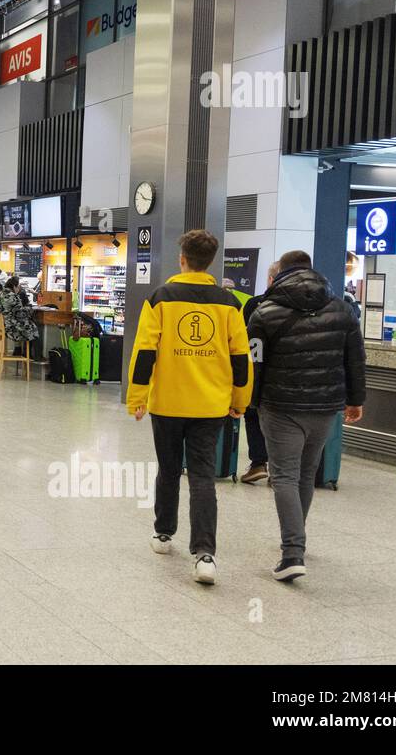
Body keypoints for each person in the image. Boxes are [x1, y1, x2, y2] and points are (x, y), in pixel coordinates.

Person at [126, 229, 252, 586]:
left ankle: (164, 534)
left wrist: (137, 398)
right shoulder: (229, 303)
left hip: (167, 402)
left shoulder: (161, 297)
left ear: (182, 258)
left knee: (168, 469)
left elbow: (144, 352)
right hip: (211, 405)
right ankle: (205, 555)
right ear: (210, 261)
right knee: (202, 475)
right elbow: (242, 358)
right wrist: (240, 400)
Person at [247, 250, 366, 582]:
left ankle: (292, 553)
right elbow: (355, 360)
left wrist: (249, 404)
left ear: (280, 274)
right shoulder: (342, 311)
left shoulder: (264, 313)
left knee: (283, 475)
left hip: (280, 405)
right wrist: (355, 400)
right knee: (305, 473)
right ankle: (297, 541)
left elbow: (253, 364)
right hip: (325, 407)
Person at [238, 266, 274, 484]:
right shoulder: (312, 306)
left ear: (270, 278)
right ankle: (281, 469)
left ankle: (259, 463)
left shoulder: (254, 304)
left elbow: (243, 340)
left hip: (257, 368)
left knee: (253, 415)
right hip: (288, 376)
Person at [0, 276, 39, 352]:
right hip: (11, 327)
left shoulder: (2, 294)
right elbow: (20, 313)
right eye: (18, 287)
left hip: (5, 324)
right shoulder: (13, 296)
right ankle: (31, 354)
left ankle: (19, 350)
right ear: (14, 286)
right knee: (33, 329)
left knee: (30, 325)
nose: (19, 289)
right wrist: (29, 309)